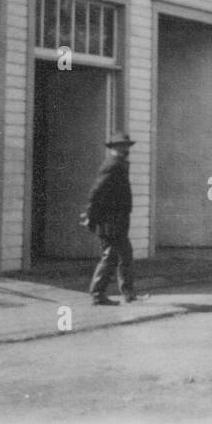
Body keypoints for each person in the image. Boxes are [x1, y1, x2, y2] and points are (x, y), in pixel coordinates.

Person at [84, 131, 137, 306]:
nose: (126, 148)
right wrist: (90, 216)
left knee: (125, 255)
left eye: (127, 145)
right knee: (110, 256)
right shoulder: (113, 165)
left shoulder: (120, 164)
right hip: (110, 221)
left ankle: (128, 294)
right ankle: (97, 294)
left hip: (117, 220)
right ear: (115, 148)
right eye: (122, 145)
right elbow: (96, 192)